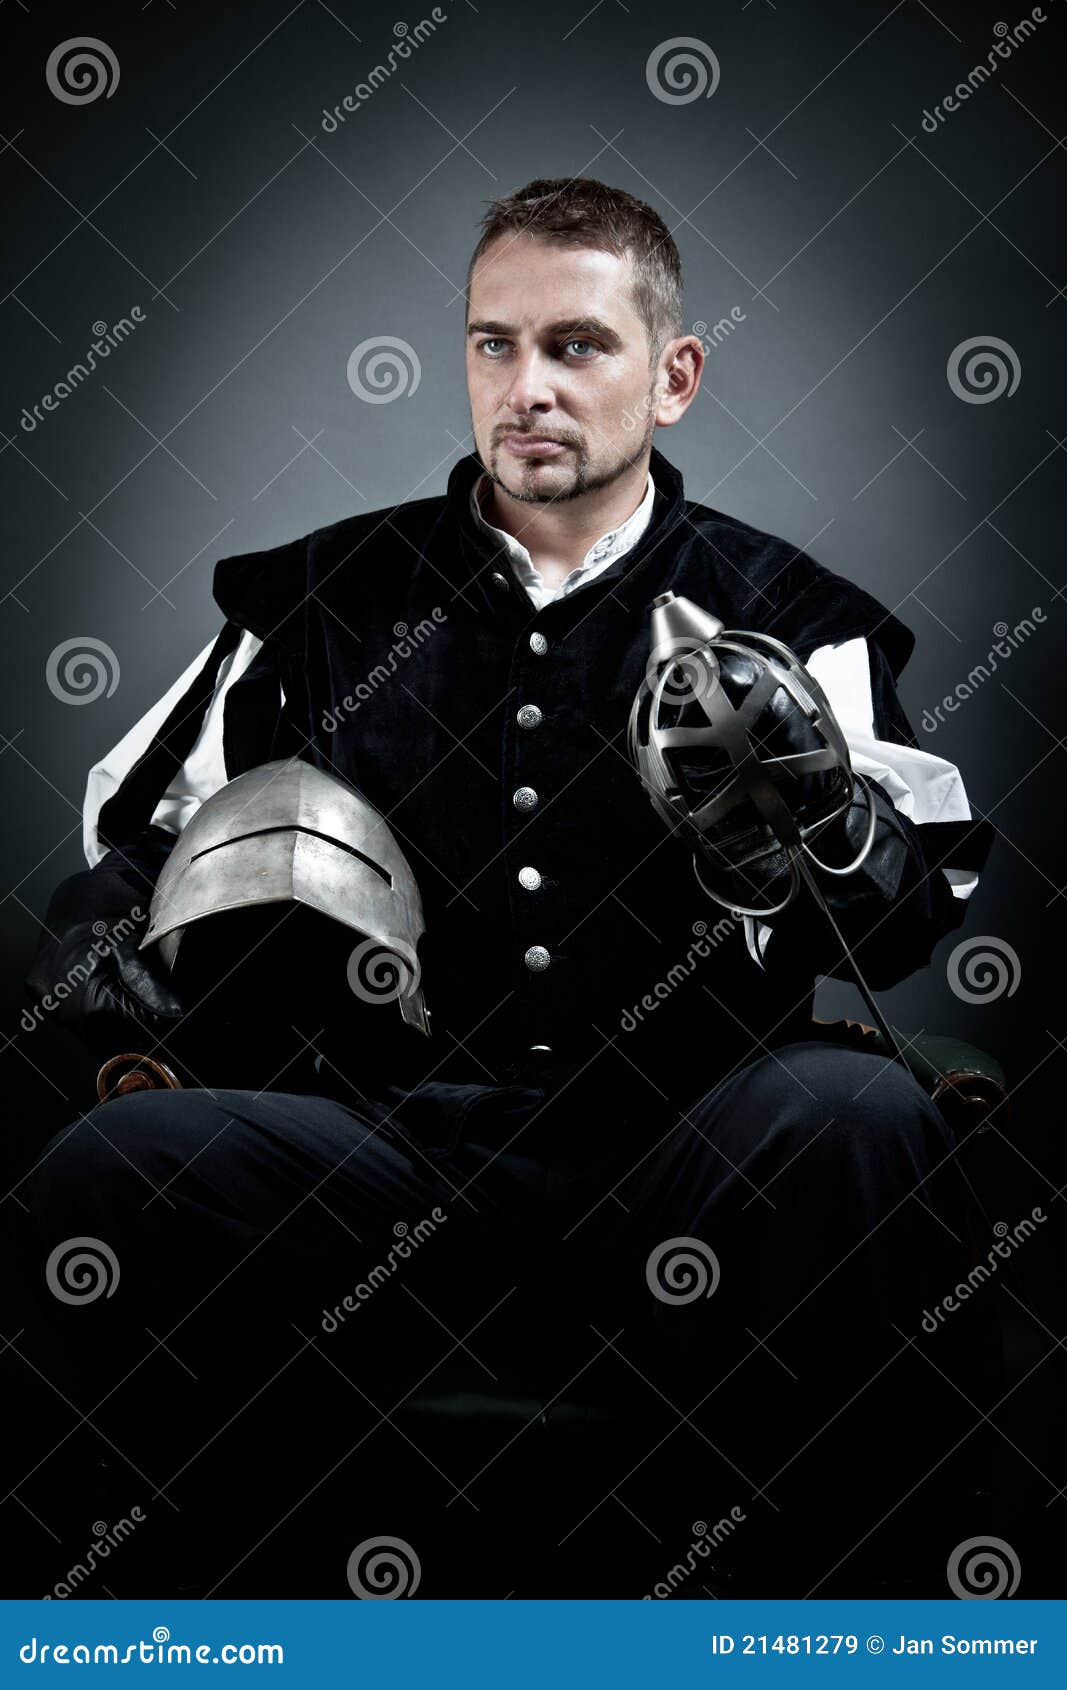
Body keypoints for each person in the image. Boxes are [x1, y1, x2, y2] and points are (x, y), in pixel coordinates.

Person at [14, 178, 994, 1597]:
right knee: (113, 1171)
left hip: (686, 1141)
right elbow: (127, 852)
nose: (525, 388)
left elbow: (911, 918)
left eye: (576, 346)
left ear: (674, 376)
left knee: (860, 1114)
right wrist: (125, 1014)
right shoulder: (320, 599)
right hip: (371, 1148)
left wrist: (827, 816)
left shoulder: (788, 616)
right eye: (493, 344)